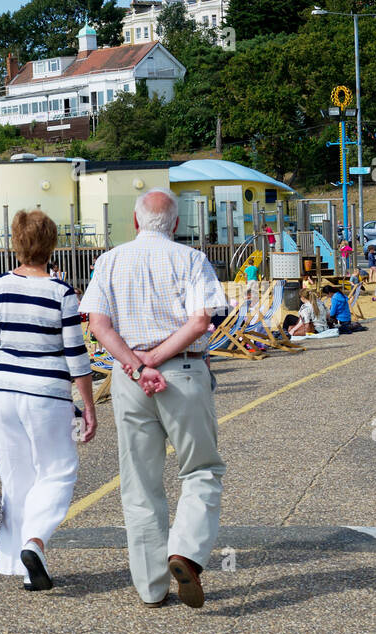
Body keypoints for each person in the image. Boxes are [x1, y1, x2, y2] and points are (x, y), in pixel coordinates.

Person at [83, 189, 227, 608]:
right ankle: (184, 550)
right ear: (177, 225)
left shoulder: (109, 261)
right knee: (201, 468)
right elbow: (201, 320)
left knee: (140, 483)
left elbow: (98, 323)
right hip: (182, 371)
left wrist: (135, 364)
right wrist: (159, 359)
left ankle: (151, 587)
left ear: (134, 222)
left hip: (129, 380)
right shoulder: (191, 259)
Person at [0, 209, 96, 593]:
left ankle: (20, 565)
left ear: (16, 243)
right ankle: (35, 542)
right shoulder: (62, 293)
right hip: (46, 393)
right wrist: (89, 404)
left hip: (4, 392)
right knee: (58, 471)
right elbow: (77, 356)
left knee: (16, 478)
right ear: (52, 245)